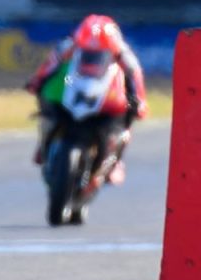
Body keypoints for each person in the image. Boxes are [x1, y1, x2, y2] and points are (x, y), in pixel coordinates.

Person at [25, 15, 148, 181]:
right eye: (88, 53)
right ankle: (44, 144)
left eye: (98, 54)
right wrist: (37, 81)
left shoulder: (123, 55)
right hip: (74, 86)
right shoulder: (68, 47)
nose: (92, 58)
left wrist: (139, 102)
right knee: (46, 106)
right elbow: (49, 67)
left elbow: (135, 78)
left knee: (127, 118)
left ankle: (115, 160)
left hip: (108, 94)